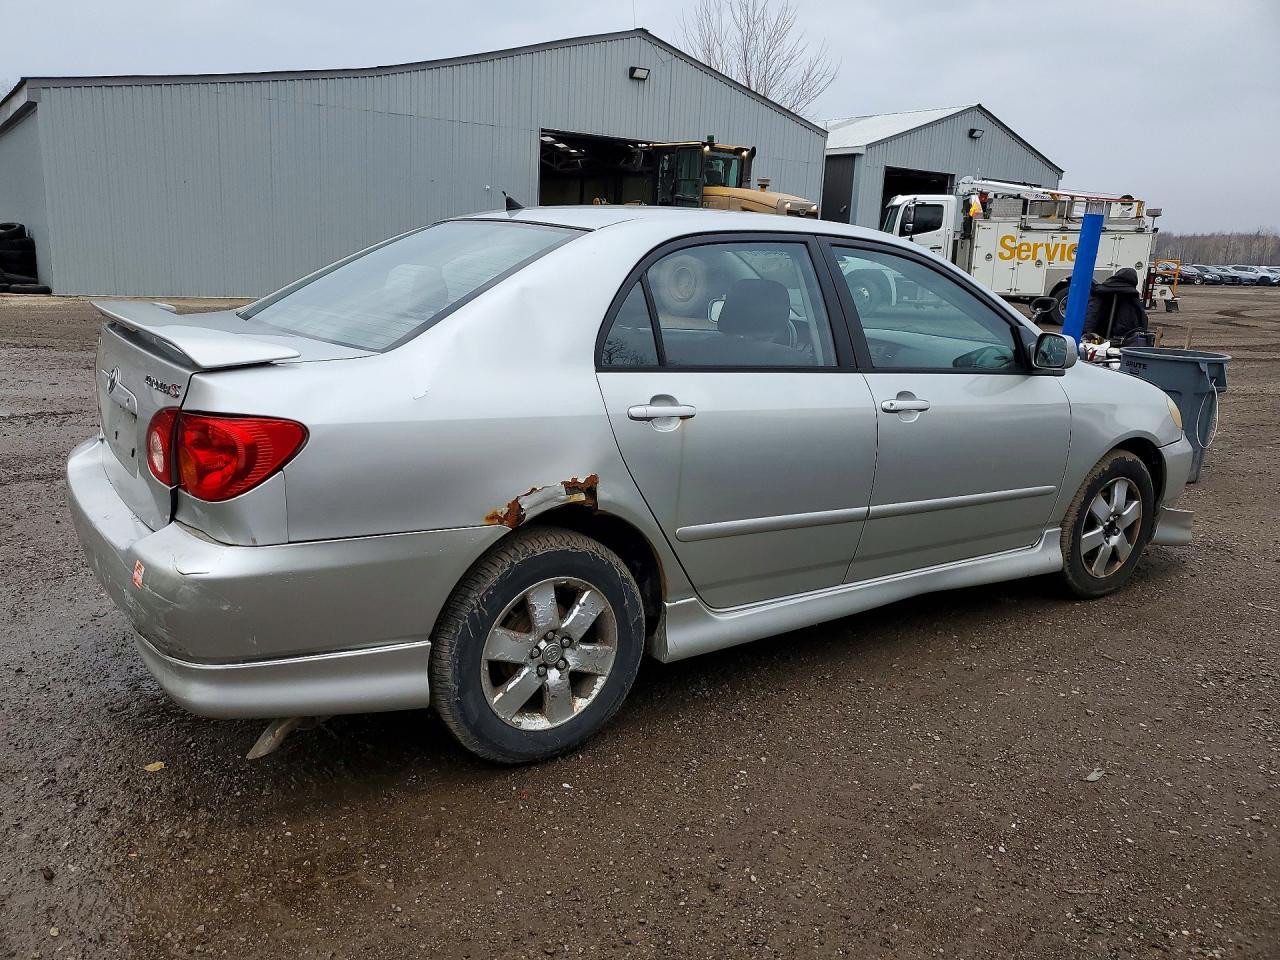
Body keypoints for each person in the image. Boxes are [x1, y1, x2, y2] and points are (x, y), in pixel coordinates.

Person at [1083, 267, 1150, 345]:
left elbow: (1091, 314)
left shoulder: (1100, 291)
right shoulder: (1131, 297)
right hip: (1120, 339)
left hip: (1095, 337)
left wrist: (1087, 332)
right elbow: (1141, 319)